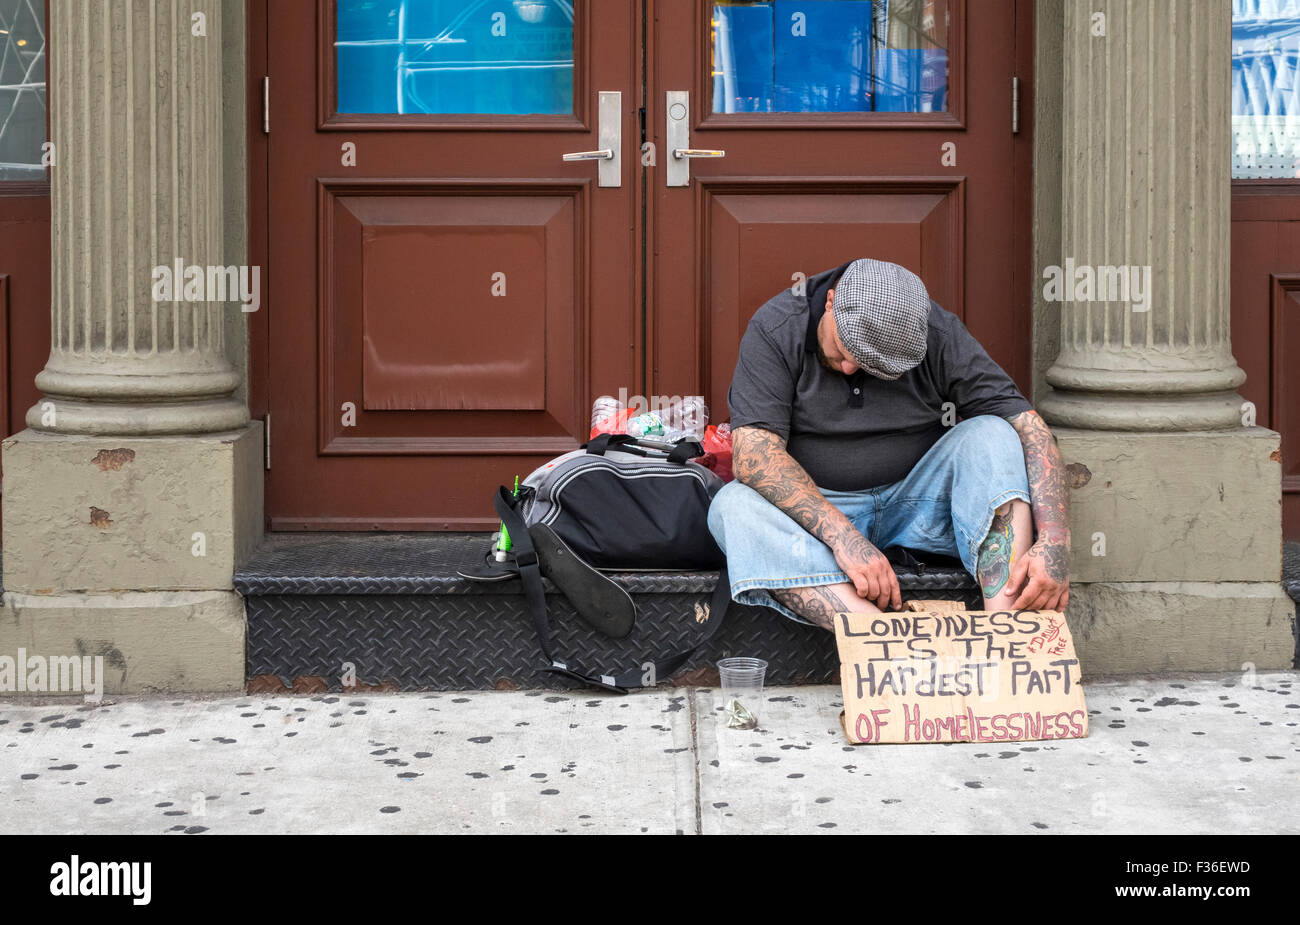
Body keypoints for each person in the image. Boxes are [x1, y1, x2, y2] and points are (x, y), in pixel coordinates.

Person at [706, 258, 1070, 629]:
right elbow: (754, 456)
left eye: (869, 364)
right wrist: (843, 538)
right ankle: (879, 637)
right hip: (820, 518)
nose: (850, 368)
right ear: (830, 301)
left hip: (923, 507)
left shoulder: (936, 332)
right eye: (845, 349)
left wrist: (1056, 539)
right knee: (732, 506)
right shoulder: (777, 326)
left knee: (995, 433)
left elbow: (1030, 428)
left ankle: (1008, 633)